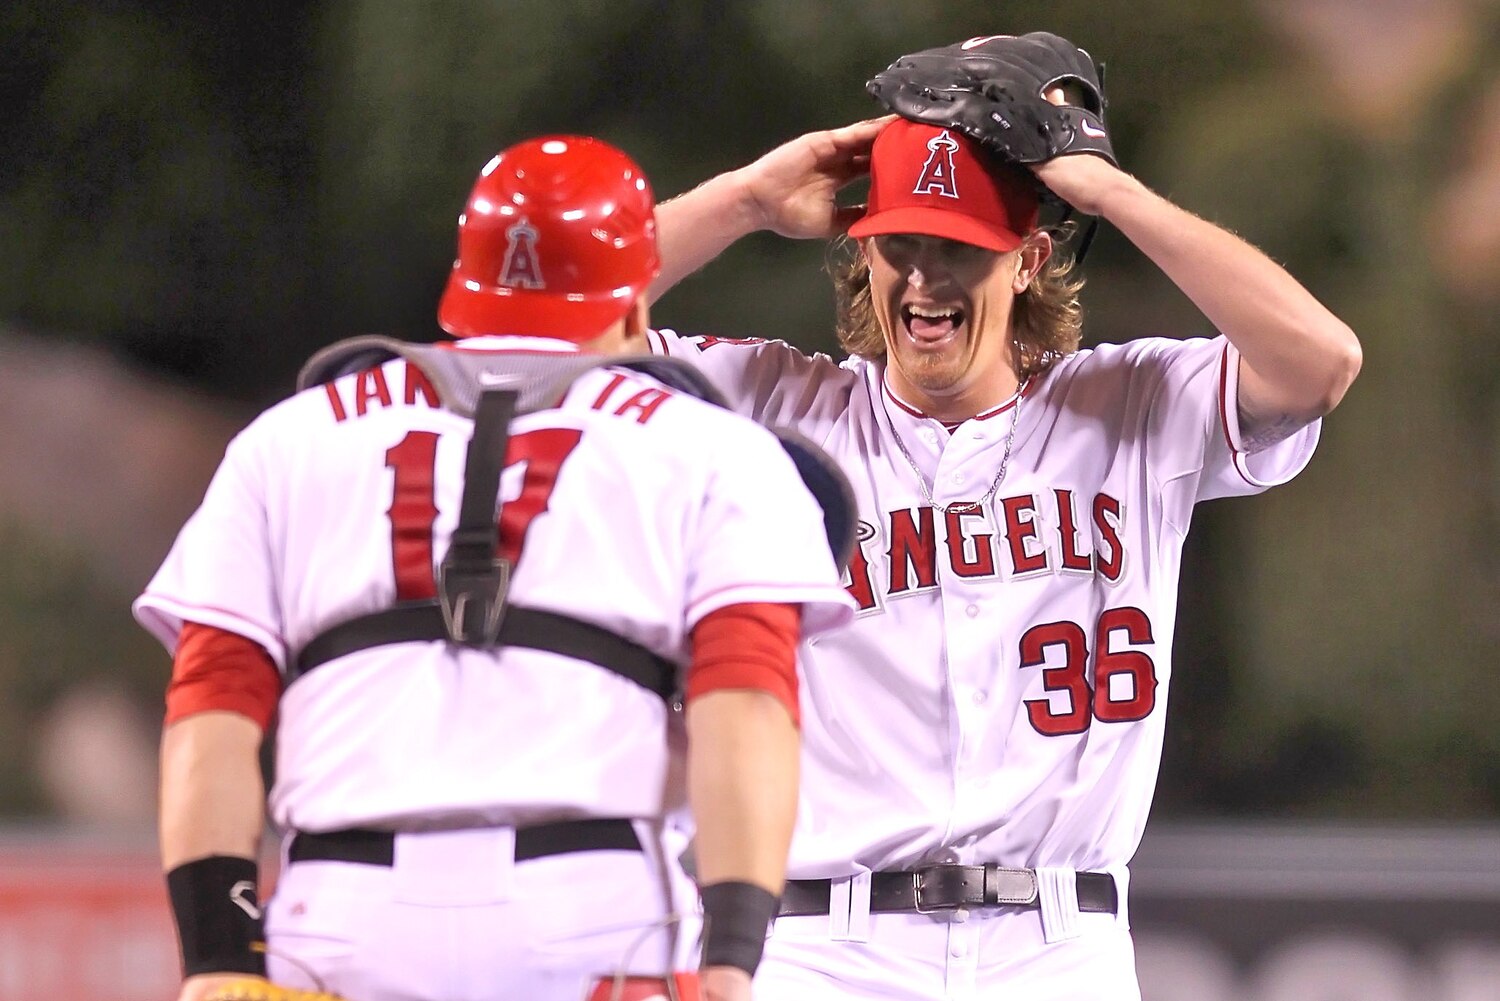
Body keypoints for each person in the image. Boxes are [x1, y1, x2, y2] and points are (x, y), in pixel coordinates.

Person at [640, 50, 1363, 1001]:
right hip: (823, 946)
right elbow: (544, 338)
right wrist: (742, 200)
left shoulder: (1130, 406)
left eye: (960, 247)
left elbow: (1321, 361)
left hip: (1058, 945)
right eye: (900, 243)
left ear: (1027, 260)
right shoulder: (777, 405)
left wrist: (1109, 192)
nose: (924, 280)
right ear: (863, 248)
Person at [134, 135, 855, 1001]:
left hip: (340, 914)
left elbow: (211, 706)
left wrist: (216, 954)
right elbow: (746, 707)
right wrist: (734, 955)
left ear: (462, 294)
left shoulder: (289, 438)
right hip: (588, 912)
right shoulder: (714, 448)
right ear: (636, 304)